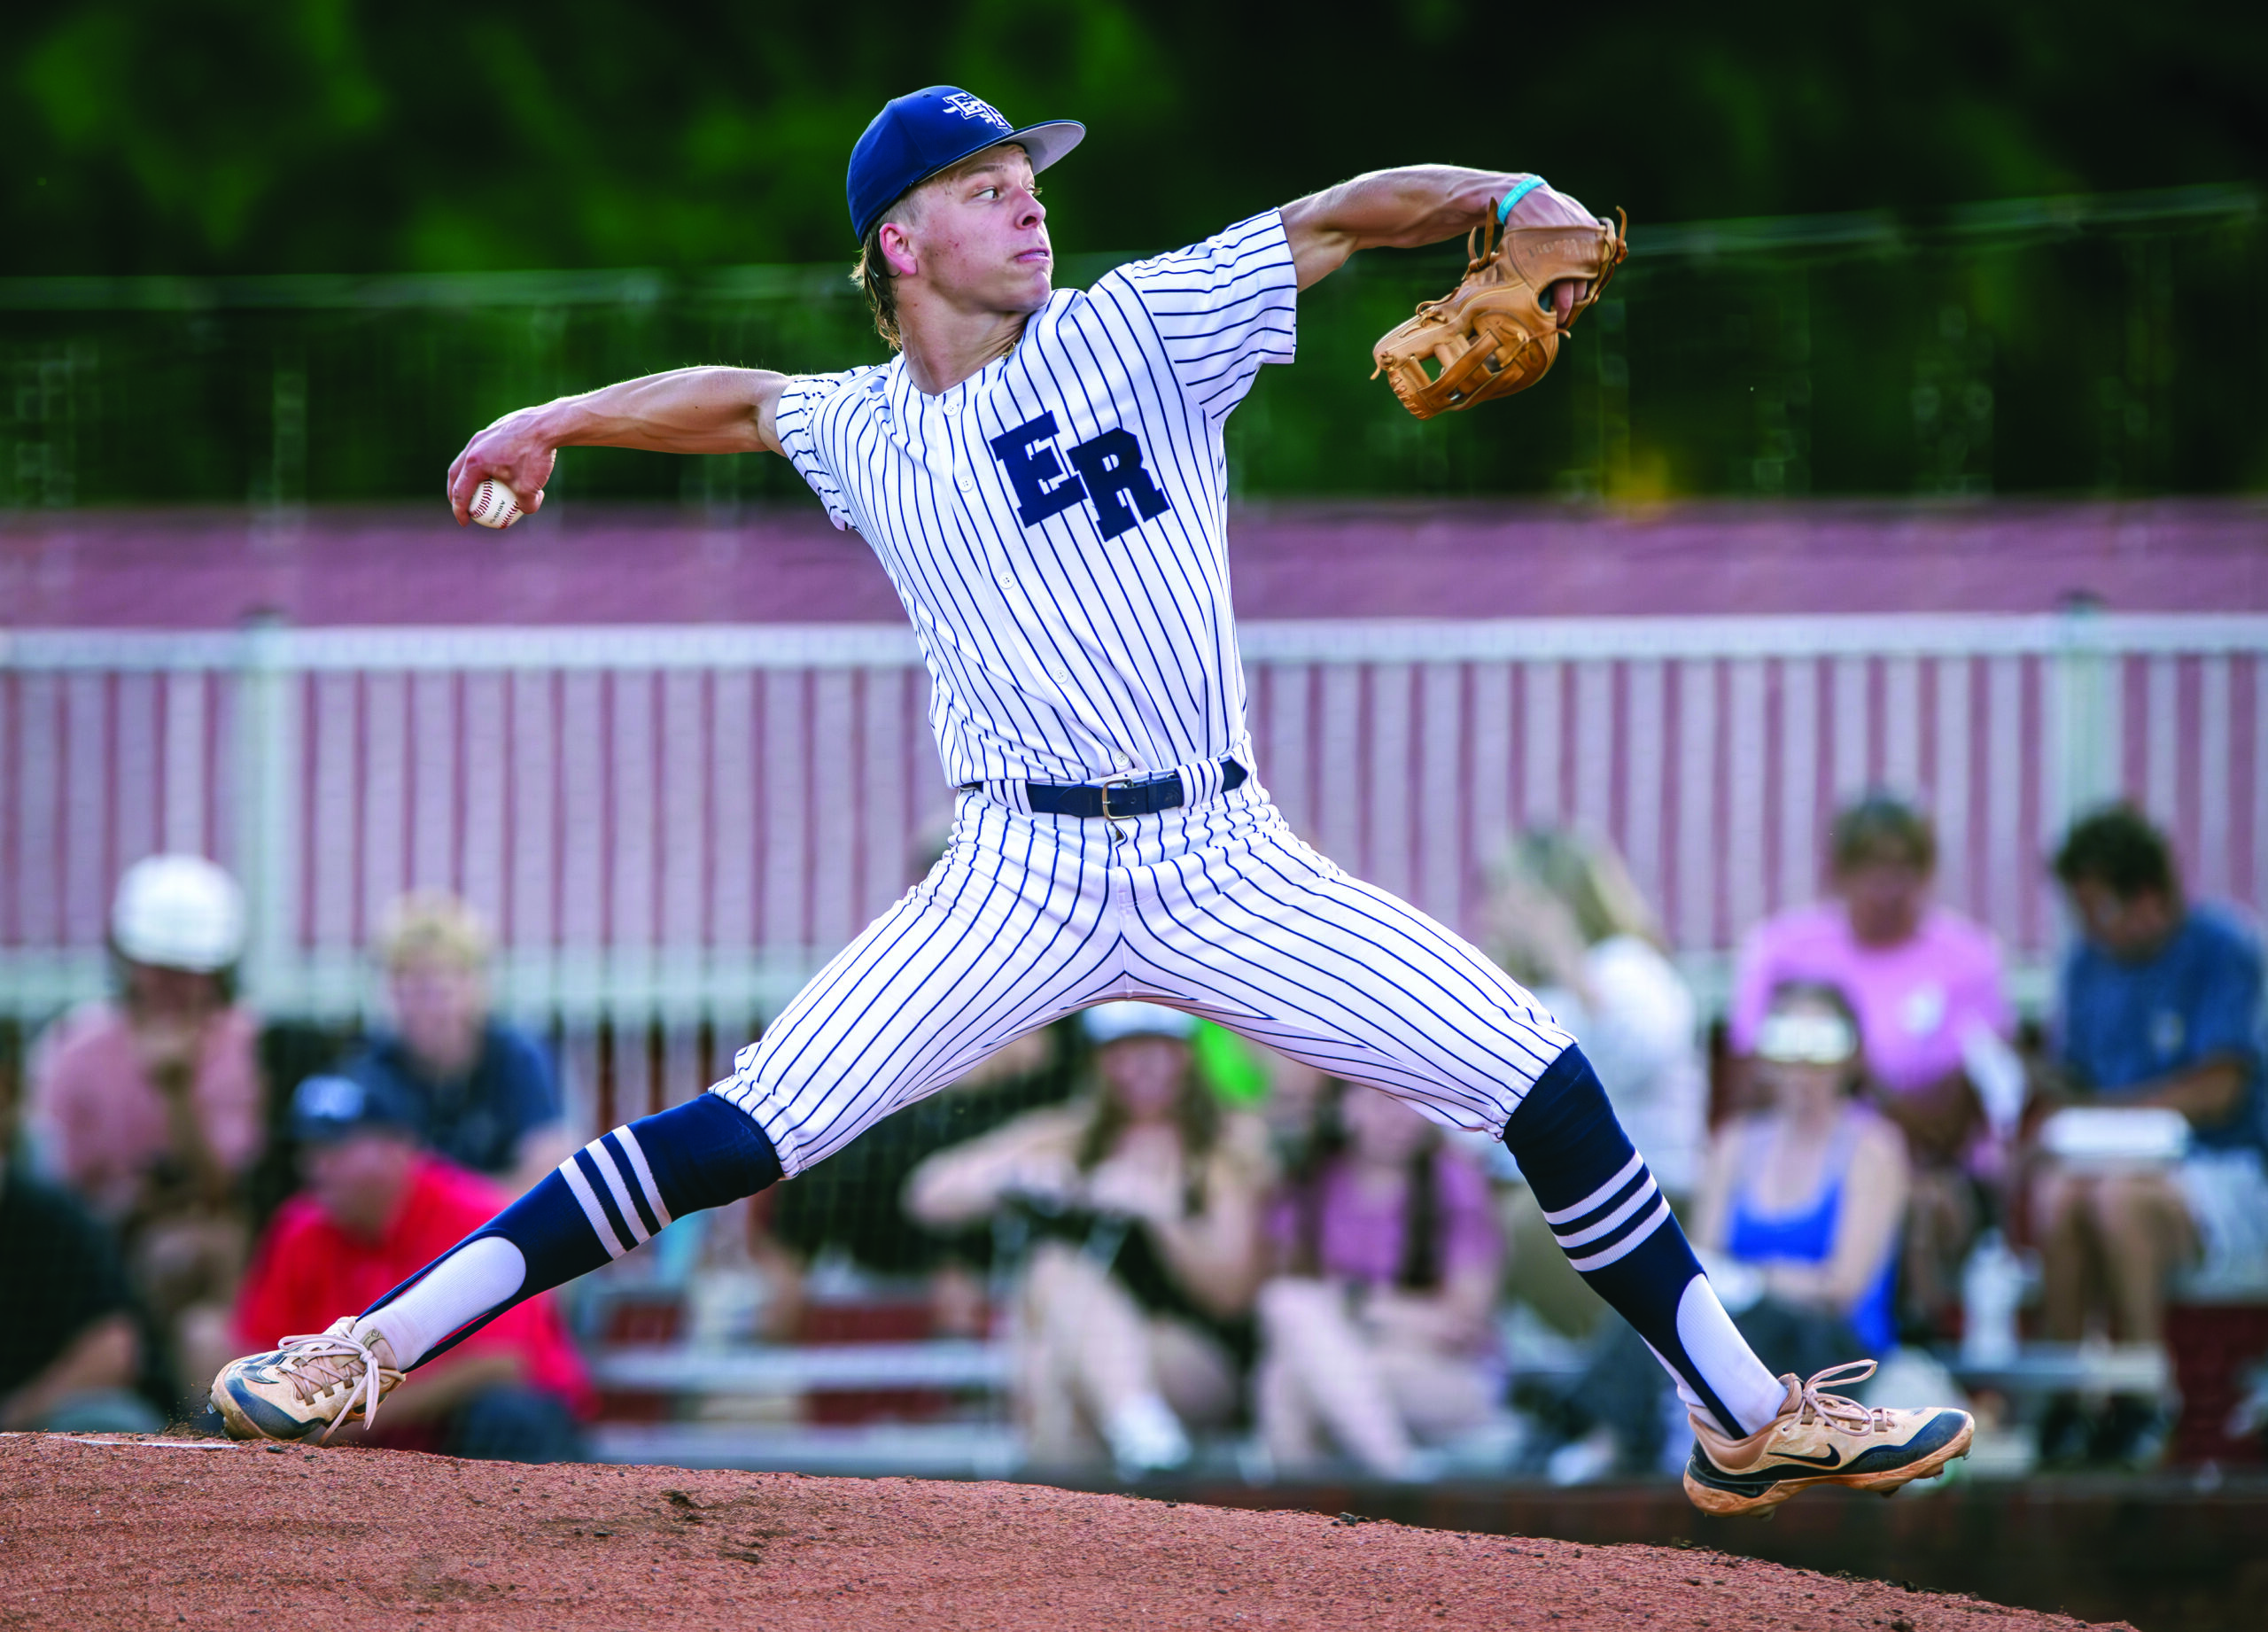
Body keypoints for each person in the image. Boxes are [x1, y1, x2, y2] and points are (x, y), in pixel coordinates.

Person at [213, 84, 1969, 1516]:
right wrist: (557, 416)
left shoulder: (1143, 324)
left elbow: (1344, 212)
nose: (1029, 206)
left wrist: (1507, 193)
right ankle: (362, 1349)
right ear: (899, 244)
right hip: (1016, 873)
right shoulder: (866, 428)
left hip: (1223, 855)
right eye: (985, 190)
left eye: (1030, 181)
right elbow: (736, 403)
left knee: (1542, 1079)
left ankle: (1743, 1412)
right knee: (741, 1132)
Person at [1541, 982, 1910, 1480]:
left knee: (1734, 1326)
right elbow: (1702, 1260)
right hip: (1748, 1333)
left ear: (1851, 1057)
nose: (1802, 1066)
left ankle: (1608, 1441)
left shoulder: (1873, 1148)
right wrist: (1744, 1285)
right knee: (1653, 1302)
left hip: (1834, 1353)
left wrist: (1753, 1282)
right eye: (1786, 1043)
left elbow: (1842, 1287)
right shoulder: (1735, 1144)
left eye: (1821, 1047)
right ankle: (1604, 1443)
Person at [903, 1003, 1270, 1476]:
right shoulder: (1068, 1137)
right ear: (1099, 1062)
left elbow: (1232, 1294)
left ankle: (1106, 1456)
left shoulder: (1220, 1147)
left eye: (1157, 1051)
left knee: (1054, 1348)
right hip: (1082, 1363)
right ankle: (1141, 1442)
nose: (1141, 1069)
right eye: (1124, 1053)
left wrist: (1160, 1213)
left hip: (1193, 1360)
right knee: (1051, 1295)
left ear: (1186, 1056)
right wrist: (1015, 1176)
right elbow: (925, 1195)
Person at [2031, 804, 2267, 1465]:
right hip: (2101, 1162)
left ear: (2148, 896)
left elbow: (2220, 1088)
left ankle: (2145, 1395)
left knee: (2120, 1200)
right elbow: (2074, 1078)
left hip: (2219, 1165)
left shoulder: (2222, 949)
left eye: (2100, 908)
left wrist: (2109, 1114)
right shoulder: (2087, 963)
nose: (2089, 926)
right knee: (2057, 1195)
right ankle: (2068, 1399)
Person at [1728, 793, 2013, 1334]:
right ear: (1838, 873)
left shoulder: (1970, 957)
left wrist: (1855, 1086)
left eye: (1902, 869)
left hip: (1932, 1166)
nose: (1885, 887)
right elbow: (1753, 1082)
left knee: (1921, 1203)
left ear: (1926, 873)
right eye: (1869, 869)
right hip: (1799, 1146)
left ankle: (1902, 1341)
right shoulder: (1781, 947)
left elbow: (1963, 1113)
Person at [229, 1074, 593, 1461]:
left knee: (506, 1415)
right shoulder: (300, 1227)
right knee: (244, 1410)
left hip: (486, 1431)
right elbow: (255, 1346)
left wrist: (348, 1421)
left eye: (336, 1147)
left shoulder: (473, 1216)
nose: (314, 1165)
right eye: (308, 1148)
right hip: (376, 1440)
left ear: (397, 1148)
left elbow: (499, 1363)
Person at [29, 854, 263, 1395]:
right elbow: (54, 1189)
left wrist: (176, 1094)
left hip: (217, 1258)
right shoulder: (74, 1050)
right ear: (126, 960)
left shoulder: (246, 1046)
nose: (171, 984)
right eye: (157, 966)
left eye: (188, 969)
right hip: (94, 1252)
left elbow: (226, 1187)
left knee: (201, 1258)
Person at [1484, 828, 1706, 1341]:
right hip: (1550, 1194)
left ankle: (1627, 1359)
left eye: (1507, 897)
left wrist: (1567, 959)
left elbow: (1637, 1052)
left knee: (1523, 1223)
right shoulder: (1531, 988)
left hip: (1643, 1195)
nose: (1492, 915)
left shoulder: (1628, 966)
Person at [1256, 1080, 1503, 1480]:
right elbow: (1286, 1306)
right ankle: (1396, 1469)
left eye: (1412, 1101)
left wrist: (1352, 1304)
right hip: (1353, 1364)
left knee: (1291, 1369)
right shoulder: (1314, 1183)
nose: (1399, 1117)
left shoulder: (1452, 1179)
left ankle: (1306, 1500)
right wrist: (1387, 1316)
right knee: (1286, 1321)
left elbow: (1462, 1324)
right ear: (1342, 1107)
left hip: (1448, 1376)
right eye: (1381, 1101)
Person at [344, 892, 571, 1193]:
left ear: (472, 985)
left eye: (434, 990)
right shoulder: (372, 1071)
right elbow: (368, 1194)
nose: (420, 1009)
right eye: (403, 990)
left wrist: (451, 1209)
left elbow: (548, 1178)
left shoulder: (517, 1058)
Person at [1, 1060, 165, 1434]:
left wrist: (13, 1416)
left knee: (112, 1420)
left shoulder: (54, 1221)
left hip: (33, 1425)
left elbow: (114, 1349)